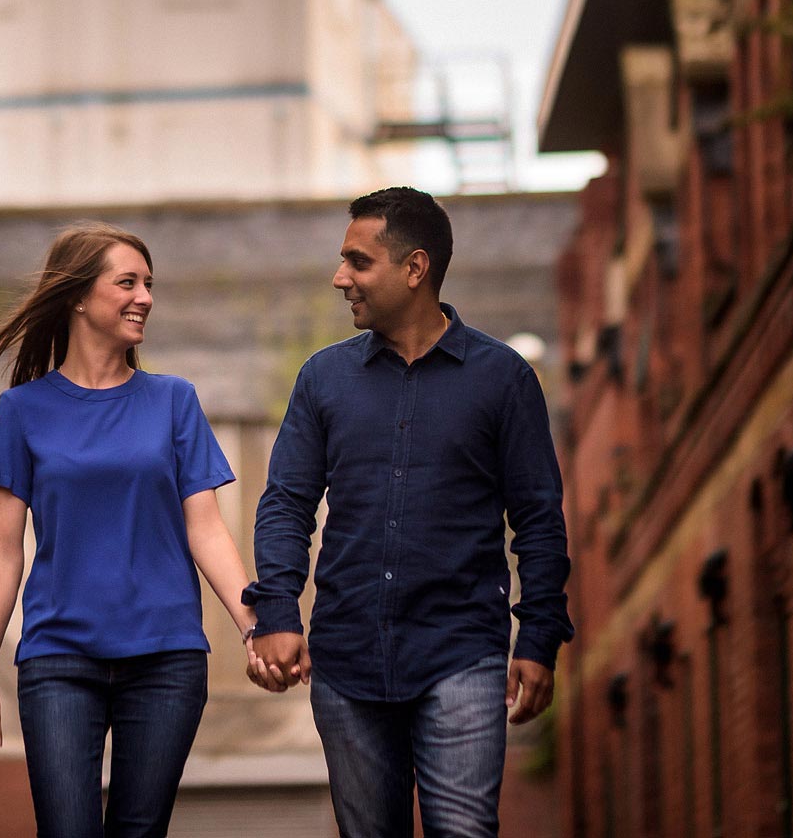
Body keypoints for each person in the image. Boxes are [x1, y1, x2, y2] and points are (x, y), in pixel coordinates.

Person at [242, 187, 573, 838]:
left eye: (358, 262)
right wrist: (277, 611)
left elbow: (538, 517)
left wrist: (538, 636)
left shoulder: (503, 378)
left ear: (415, 267)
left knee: (465, 831)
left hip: (462, 652)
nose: (341, 278)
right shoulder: (323, 379)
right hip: (347, 659)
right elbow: (286, 501)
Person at [0, 222, 262, 838]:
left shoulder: (173, 401)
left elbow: (206, 530)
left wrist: (254, 626)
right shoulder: (23, 412)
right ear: (77, 296)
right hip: (58, 659)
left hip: (167, 659)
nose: (145, 297)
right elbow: (1, 550)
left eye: (149, 284)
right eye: (127, 282)